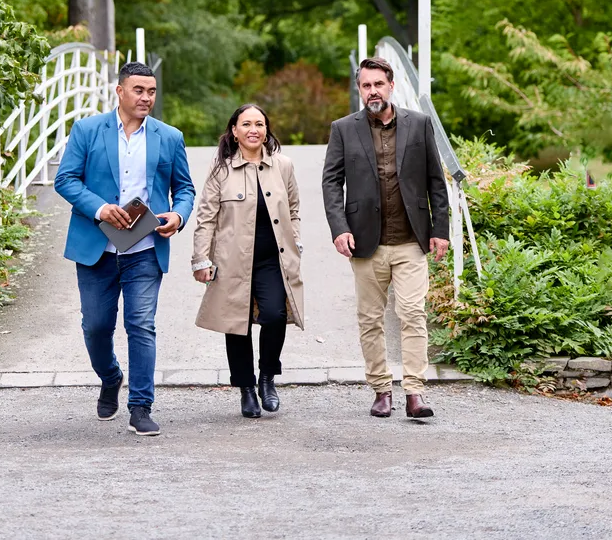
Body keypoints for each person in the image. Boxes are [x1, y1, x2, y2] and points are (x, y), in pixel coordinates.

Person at [54, 62, 196, 436]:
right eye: (138, 90)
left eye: (151, 91)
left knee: (141, 325)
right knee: (97, 327)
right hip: (96, 247)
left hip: (146, 247)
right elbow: (65, 179)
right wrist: (100, 207)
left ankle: (141, 406)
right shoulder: (86, 130)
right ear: (119, 91)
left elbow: (185, 189)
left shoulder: (169, 136)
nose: (146, 97)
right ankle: (110, 376)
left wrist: (178, 217)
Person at [321, 57, 450, 419]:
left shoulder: (420, 124)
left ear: (391, 85)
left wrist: (440, 230)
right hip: (365, 240)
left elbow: (435, 182)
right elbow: (331, 181)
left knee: (412, 313)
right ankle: (381, 389)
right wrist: (339, 227)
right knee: (370, 318)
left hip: (411, 238)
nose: (372, 91)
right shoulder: (343, 128)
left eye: (378, 84)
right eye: (365, 85)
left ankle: (414, 392)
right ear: (358, 89)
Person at [192, 104, 304, 418]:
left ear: (266, 129)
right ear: (234, 131)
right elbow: (206, 219)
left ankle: (267, 376)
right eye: (246, 124)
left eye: (259, 124)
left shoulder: (283, 165)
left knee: (274, 315)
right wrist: (200, 259)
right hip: (230, 261)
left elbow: (294, 209)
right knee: (236, 325)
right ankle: (246, 389)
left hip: (272, 258)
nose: (253, 129)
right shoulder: (221, 170)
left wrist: (295, 241)